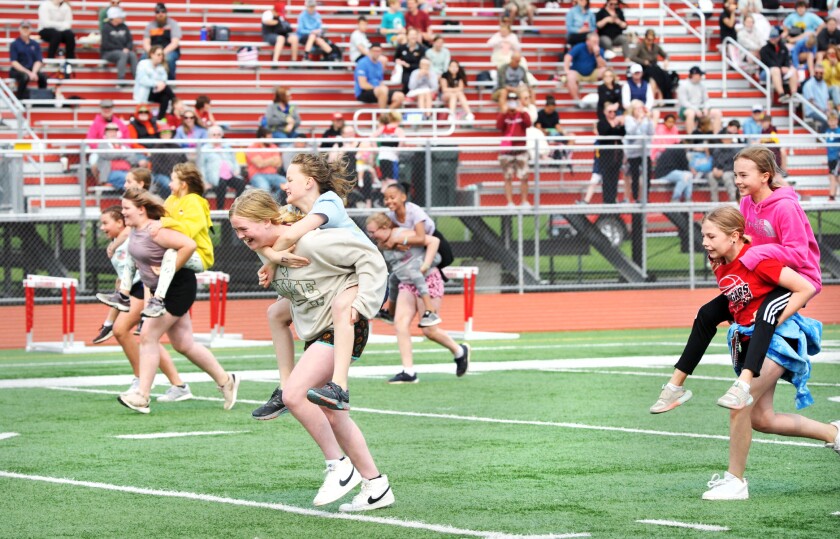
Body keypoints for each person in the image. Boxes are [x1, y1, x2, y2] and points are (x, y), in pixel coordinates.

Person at [229, 189, 395, 512]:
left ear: (267, 220)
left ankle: (339, 465)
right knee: (333, 414)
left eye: (243, 228)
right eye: (236, 230)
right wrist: (274, 259)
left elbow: (370, 257)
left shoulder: (313, 241)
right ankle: (376, 485)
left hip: (344, 324)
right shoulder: (265, 249)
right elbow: (299, 286)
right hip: (317, 330)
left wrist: (361, 302)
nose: (239, 237)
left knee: (295, 396)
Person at [649, 145, 822, 414]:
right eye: (735, 175)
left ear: (765, 176)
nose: (737, 181)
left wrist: (757, 254)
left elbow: (798, 254)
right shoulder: (746, 203)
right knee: (707, 313)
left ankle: (742, 386)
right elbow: (743, 241)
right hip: (761, 274)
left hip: (793, 278)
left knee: (765, 314)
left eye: (743, 175)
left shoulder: (786, 207)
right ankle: (675, 386)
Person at [697, 206, 838, 501]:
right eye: (704, 236)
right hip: (758, 339)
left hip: (778, 338)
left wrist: (768, 318)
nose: (705, 242)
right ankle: (833, 434)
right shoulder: (722, 262)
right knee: (762, 419)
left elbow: (805, 286)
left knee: (740, 403)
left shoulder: (758, 255)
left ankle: (735, 482)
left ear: (733, 236)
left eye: (711, 236)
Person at [254, 153, 367, 413]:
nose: (285, 185)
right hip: (336, 280)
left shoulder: (329, 202)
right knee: (275, 313)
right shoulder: (298, 212)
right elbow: (282, 240)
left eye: (290, 179)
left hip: (360, 278)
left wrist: (270, 261)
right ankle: (284, 387)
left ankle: (341, 386)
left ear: (309, 182)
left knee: (341, 308)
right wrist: (272, 255)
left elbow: (288, 237)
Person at [113, 188, 239, 414]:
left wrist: (166, 270)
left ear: (141, 210)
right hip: (160, 290)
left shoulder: (156, 231)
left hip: (178, 288)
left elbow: (188, 245)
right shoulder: (135, 230)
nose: (122, 212)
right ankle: (226, 379)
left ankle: (142, 395)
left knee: (148, 335)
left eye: (126, 208)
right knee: (183, 344)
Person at [95, 203, 192, 401]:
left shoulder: (136, 236)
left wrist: (149, 302)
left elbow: (145, 272)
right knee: (147, 336)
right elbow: (121, 278)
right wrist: (109, 320)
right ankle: (175, 384)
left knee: (136, 333)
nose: (102, 227)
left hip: (145, 288)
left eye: (106, 222)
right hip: (135, 288)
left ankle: (144, 381)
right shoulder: (122, 241)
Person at [373, 185, 468, 384]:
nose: (389, 201)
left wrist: (424, 265)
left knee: (429, 330)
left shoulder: (414, 215)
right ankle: (409, 372)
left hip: (428, 274)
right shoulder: (390, 227)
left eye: (393, 197)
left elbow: (430, 240)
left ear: (403, 197)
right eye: (386, 198)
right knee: (400, 324)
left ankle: (460, 351)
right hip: (408, 280)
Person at [366, 212, 442, 327]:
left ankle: (430, 311)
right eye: (369, 232)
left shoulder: (400, 235)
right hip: (406, 275)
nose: (371, 236)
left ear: (384, 228)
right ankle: (391, 313)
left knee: (413, 271)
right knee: (393, 278)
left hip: (425, 265)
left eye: (373, 232)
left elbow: (434, 241)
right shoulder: (383, 242)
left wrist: (425, 265)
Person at [497, 92, 532, 207]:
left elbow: (528, 123)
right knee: (508, 177)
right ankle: (510, 202)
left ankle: (524, 201)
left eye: (514, 100)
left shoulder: (522, 114)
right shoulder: (504, 114)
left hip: (521, 150)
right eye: (510, 100)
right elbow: (499, 126)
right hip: (507, 152)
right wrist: (504, 112)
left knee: (524, 177)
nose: (512, 102)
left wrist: (521, 111)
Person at [200, 125, 246, 209]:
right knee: (222, 185)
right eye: (214, 135)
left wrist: (236, 170)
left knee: (241, 183)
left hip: (229, 175)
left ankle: (237, 208)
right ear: (209, 136)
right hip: (214, 177)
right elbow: (201, 167)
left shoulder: (227, 147)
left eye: (218, 135)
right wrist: (205, 181)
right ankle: (220, 211)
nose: (216, 137)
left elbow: (234, 161)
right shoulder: (205, 149)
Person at [624, 99, 656, 203]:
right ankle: (635, 197)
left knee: (647, 175)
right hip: (633, 153)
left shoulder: (645, 119)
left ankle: (645, 197)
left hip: (645, 152)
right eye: (637, 108)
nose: (639, 110)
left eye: (640, 108)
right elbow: (631, 132)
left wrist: (650, 119)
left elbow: (651, 132)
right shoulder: (629, 119)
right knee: (635, 175)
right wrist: (639, 121)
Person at [354, 45, 405, 110]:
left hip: (378, 91)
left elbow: (380, 81)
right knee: (382, 90)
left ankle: (386, 116)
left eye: (378, 51)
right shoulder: (362, 63)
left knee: (400, 96)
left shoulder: (379, 64)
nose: (376, 53)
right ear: (370, 51)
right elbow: (363, 85)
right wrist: (378, 88)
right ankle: (383, 115)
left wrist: (382, 87)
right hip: (364, 92)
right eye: (374, 51)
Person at [678, 66, 722, 136]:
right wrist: (695, 110)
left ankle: (715, 137)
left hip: (700, 108)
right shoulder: (683, 85)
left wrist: (705, 108)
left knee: (717, 113)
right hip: (686, 109)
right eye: (700, 75)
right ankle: (691, 138)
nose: (701, 76)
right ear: (694, 75)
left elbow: (706, 100)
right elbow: (684, 102)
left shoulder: (702, 86)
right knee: (690, 113)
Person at [9, 20, 48, 100]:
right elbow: (14, 62)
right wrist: (29, 73)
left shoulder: (35, 44)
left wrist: (33, 72)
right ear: (19, 29)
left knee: (43, 77)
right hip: (18, 70)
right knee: (24, 77)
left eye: (27, 28)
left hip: (31, 69)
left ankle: (41, 99)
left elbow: (38, 60)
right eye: (23, 28)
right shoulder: (15, 44)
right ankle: (19, 99)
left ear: (30, 30)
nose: (25, 30)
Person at [596, 101, 626, 204]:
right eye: (610, 111)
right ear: (605, 112)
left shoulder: (618, 122)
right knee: (607, 180)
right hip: (606, 155)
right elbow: (605, 133)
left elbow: (622, 133)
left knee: (615, 179)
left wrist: (620, 125)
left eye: (614, 111)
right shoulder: (602, 123)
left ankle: (613, 200)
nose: (612, 113)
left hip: (617, 155)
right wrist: (615, 126)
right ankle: (607, 202)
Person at [134, 45, 175, 120]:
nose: (161, 57)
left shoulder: (161, 67)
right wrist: (156, 84)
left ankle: (160, 118)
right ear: (152, 54)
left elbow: (164, 80)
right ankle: (175, 101)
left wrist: (161, 85)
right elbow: (142, 80)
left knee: (165, 97)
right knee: (167, 90)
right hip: (144, 92)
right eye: (158, 54)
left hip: (156, 91)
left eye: (162, 55)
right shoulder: (143, 64)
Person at [629, 29, 672, 100]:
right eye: (648, 39)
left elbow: (666, 55)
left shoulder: (655, 47)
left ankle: (661, 97)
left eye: (652, 40)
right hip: (644, 68)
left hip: (654, 67)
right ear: (645, 38)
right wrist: (643, 61)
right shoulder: (640, 46)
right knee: (654, 77)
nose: (650, 41)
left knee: (664, 76)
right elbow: (632, 57)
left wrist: (666, 60)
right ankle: (655, 98)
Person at [760, 27, 799, 103]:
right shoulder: (764, 49)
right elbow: (768, 62)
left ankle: (794, 94)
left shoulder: (783, 48)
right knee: (775, 69)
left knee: (793, 70)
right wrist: (781, 68)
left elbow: (787, 59)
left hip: (779, 70)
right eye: (771, 37)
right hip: (766, 72)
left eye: (775, 37)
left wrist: (787, 67)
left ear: (778, 37)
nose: (773, 39)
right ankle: (781, 94)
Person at [142, 3, 181, 79]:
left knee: (169, 59)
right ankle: (147, 81)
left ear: (166, 13)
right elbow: (146, 42)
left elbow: (175, 43)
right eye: (157, 12)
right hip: (154, 51)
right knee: (143, 58)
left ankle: (170, 81)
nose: (160, 14)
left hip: (169, 51)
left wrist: (162, 53)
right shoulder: (150, 25)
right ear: (155, 14)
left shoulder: (173, 24)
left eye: (162, 12)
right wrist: (152, 53)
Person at [564, 32, 607, 103]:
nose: (596, 44)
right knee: (570, 76)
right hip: (578, 73)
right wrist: (566, 70)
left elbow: (602, 65)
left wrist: (597, 55)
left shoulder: (600, 51)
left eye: (597, 42)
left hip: (592, 74)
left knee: (605, 71)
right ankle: (577, 100)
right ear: (588, 41)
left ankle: (605, 97)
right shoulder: (579, 47)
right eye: (594, 42)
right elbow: (568, 56)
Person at [149, 119, 186, 198]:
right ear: (160, 135)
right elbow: (156, 166)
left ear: (171, 134)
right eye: (163, 132)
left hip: (177, 174)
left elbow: (184, 161)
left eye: (167, 132)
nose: (166, 134)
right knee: (168, 183)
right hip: (160, 174)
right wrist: (171, 174)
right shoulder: (157, 147)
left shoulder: (177, 147)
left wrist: (178, 174)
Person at [707, 120, 742, 202]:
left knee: (726, 175)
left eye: (727, 138)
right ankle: (714, 201)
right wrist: (714, 169)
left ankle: (733, 200)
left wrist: (723, 171)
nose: (726, 139)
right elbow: (714, 162)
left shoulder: (735, 149)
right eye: (724, 138)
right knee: (710, 175)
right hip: (720, 173)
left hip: (731, 173)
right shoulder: (717, 149)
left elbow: (734, 166)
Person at [101, 6, 137, 83]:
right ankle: (121, 80)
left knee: (132, 55)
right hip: (108, 52)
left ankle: (137, 78)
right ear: (114, 17)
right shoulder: (106, 28)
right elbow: (106, 44)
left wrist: (128, 48)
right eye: (120, 16)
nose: (122, 18)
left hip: (124, 51)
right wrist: (122, 49)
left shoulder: (124, 26)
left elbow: (130, 40)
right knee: (123, 54)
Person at [247, 126, 286, 195]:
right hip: (257, 175)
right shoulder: (252, 147)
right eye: (269, 138)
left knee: (287, 184)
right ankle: (269, 204)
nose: (271, 139)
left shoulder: (273, 146)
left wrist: (265, 161)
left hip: (273, 175)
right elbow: (260, 164)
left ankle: (274, 203)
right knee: (264, 188)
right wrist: (272, 160)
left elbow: (279, 163)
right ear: (262, 138)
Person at [96, 123, 133, 190]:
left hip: (127, 171)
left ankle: (130, 198)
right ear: (105, 133)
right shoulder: (102, 144)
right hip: (110, 173)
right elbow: (108, 155)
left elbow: (133, 157)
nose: (112, 133)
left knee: (137, 180)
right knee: (127, 179)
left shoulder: (123, 144)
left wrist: (117, 153)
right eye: (109, 131)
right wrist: (123, 153)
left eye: (114, 131)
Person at [373, 111, 404, 185]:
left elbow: (372, 136)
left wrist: (377, 149)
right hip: (391, 157)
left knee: (384, 180)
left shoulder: (383, 128)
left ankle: (385, 194)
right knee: (393, 181)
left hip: (382, 157)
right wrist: (398, 150)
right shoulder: (398, 130)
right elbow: (402, 140)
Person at [394, 28, 428, 94]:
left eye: (415, 34)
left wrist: (409, 65)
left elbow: (422, 63)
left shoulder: (422, 48)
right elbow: (395, 58)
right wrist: (398, 61)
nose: (413, 36)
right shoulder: (402, 47)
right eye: (411, 34)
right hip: (405, 71)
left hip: (417, 70)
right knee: (406, 81)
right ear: (407, 36)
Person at [802, 64, 830, 132]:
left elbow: (827, 101)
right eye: (817, 72)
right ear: (814, 72)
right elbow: (811, 103)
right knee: (827, 120)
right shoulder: (809, 84)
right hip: (812, 112)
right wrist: (823, 112)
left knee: (835, 118)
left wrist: (829, 111)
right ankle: (821, 137)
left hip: (823, 111)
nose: (819, 74)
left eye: (821, 73)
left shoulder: (824, 84)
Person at [825, 112, 840, 200]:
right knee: (836, 177)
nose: (832, 122)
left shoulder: (839, 131)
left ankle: (832, 196)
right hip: (830, 158)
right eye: (830, 120)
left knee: (832, 176)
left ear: (837, 121)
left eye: (834, 120)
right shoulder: (827, 131)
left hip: (837, 158)